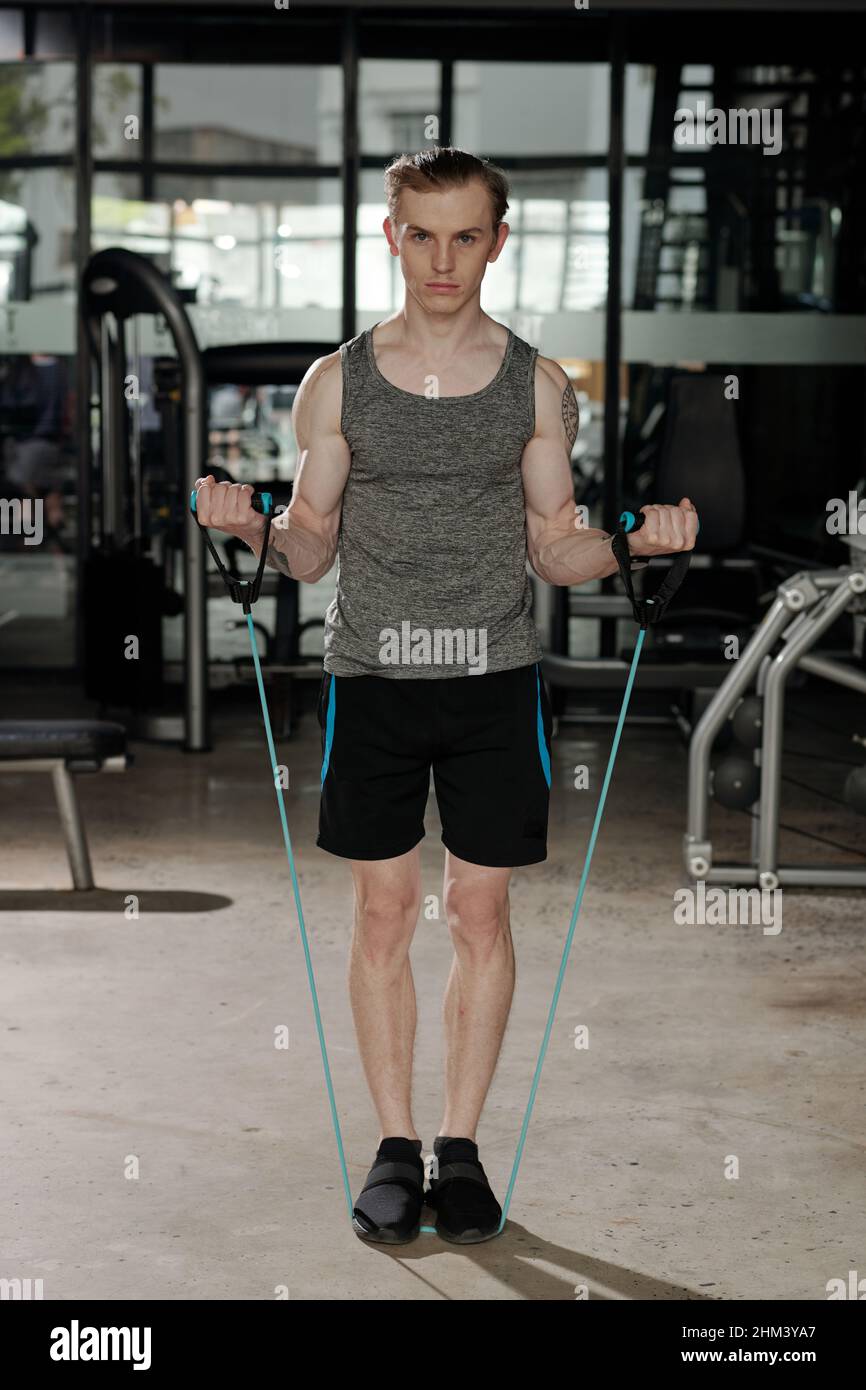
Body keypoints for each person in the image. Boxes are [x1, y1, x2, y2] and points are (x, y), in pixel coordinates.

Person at [194, 146, 698, 1246]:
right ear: (390, 236)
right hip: (371, 679)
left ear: (497, 241)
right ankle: (391, 1142)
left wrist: (628, 544)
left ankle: (458, 1149)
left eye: (464, 235)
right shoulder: (337, 382)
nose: (441, 258)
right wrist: (252, 527)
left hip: (490, 682)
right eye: (420, 233)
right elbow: (311, 549)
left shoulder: (533, 382)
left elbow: (555, 549)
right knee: (382, 912)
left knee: (478, 909)